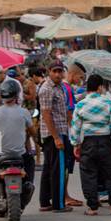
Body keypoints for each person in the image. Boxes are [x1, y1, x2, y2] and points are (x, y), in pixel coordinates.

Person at [69, 74, 111, 215]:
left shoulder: (80, 105)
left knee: (88, 173)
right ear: (100, 87)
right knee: (110, 173)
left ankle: (93, 207)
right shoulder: (107, 103)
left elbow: (75, 126)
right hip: (106, 141)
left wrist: (75, 144)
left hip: (88, 142)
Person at [37, 63, 74, 212]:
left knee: (48, 168)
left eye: (60, 71)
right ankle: (58, 204)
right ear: (49, 72)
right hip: (54, 133)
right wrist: (56, 137)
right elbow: (46, 114)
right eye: (55, 71)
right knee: (58, 170)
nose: (58, 74)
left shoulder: (59, 87)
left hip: (60, 130)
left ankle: (45, 202)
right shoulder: (47, 89)